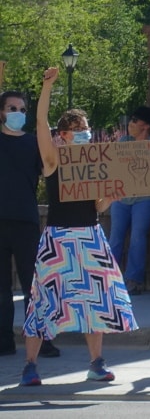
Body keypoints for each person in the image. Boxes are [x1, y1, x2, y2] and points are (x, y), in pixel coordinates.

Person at [20, 67, 138, 386]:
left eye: (86, 126)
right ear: (64, 134)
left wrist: (112, 197)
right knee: (43, 300)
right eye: (78, 127)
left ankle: (96, 363)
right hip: (58, 239)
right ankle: (30, 365)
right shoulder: (54, 160)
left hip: (90, 235)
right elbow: (41, 124)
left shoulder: (95, 165)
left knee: (97, 301)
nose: (85, 131)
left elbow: (98, 206)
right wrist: (47, 87)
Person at [0, 89, 59, 359]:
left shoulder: (34, 143)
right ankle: (3, 341)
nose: (18, 114)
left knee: (33, 285)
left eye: (22, 110)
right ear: (1, 112)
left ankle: (40, 339)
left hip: (25, 220)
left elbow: (49, 167)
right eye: (12, 109)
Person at [108, 106, 150, 295]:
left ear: (146, 125)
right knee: (115, 235)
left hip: (147, 196)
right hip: (123, 196)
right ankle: (109, 278)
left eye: (135, 121)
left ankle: (133, 280)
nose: (130, 124)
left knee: (137, 234)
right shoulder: (124, 140)